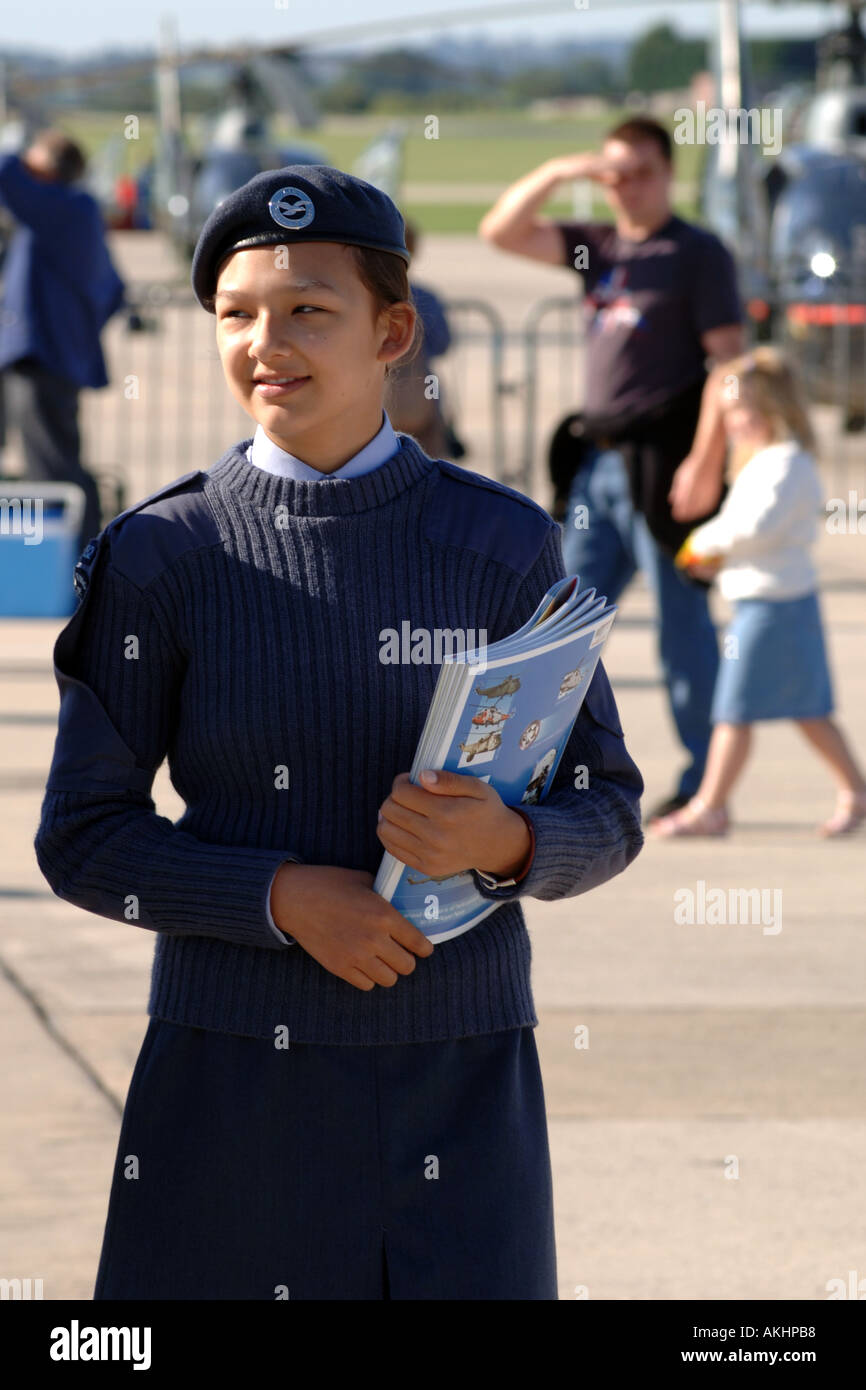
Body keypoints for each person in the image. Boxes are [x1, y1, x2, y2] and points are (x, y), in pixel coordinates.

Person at [33, 165, 645, 1300]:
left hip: (458, 1075)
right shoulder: (162, 556)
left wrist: (507, 841)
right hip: (228, 1077)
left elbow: (607, 805)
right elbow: (83, 835)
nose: (266, 341)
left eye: (309, 309)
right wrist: (279, 897)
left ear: (393, 328)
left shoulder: (500, 544)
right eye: (235, 314)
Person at [479, 116, 746, 820]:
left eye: (643, 172)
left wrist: (707, 460)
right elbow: (499, 231)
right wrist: (563, 172)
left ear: (670, 174)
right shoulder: (593, 247)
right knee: (561, 621)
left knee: (681, 626)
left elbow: (730, 364)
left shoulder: (696, 252)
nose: (628, 187)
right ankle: (540, 768)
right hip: (596, 463)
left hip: (665, 462)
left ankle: (701, 779)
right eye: (616, 173)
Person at [653, 347, 866, 838]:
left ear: (778, 409)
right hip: (768, 603)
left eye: (744, 411)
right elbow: (746, 529)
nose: (735, 423)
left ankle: (710, 806)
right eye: (728, 413)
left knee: (734, 711)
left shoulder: (787, 463)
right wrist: (715, 555)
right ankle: (856, 791)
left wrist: (703, 543)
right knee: (808, 710)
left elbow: (755, 524)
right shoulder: (762, 463)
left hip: (774, 609)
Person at [0, 130, 126, 554]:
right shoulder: (67, 214)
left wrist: (19, 152)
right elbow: (114, 291)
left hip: (42, 362)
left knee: (51, 469)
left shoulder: (69, 208)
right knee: (53, 462)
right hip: (42, 358)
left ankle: (75, 563)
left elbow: (4, 174)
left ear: (47, 169)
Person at [383, 218, 457, 460]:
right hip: (421, 397)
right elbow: (443, 343)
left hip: (378, 397)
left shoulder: (363, 297)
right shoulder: (425, 296)